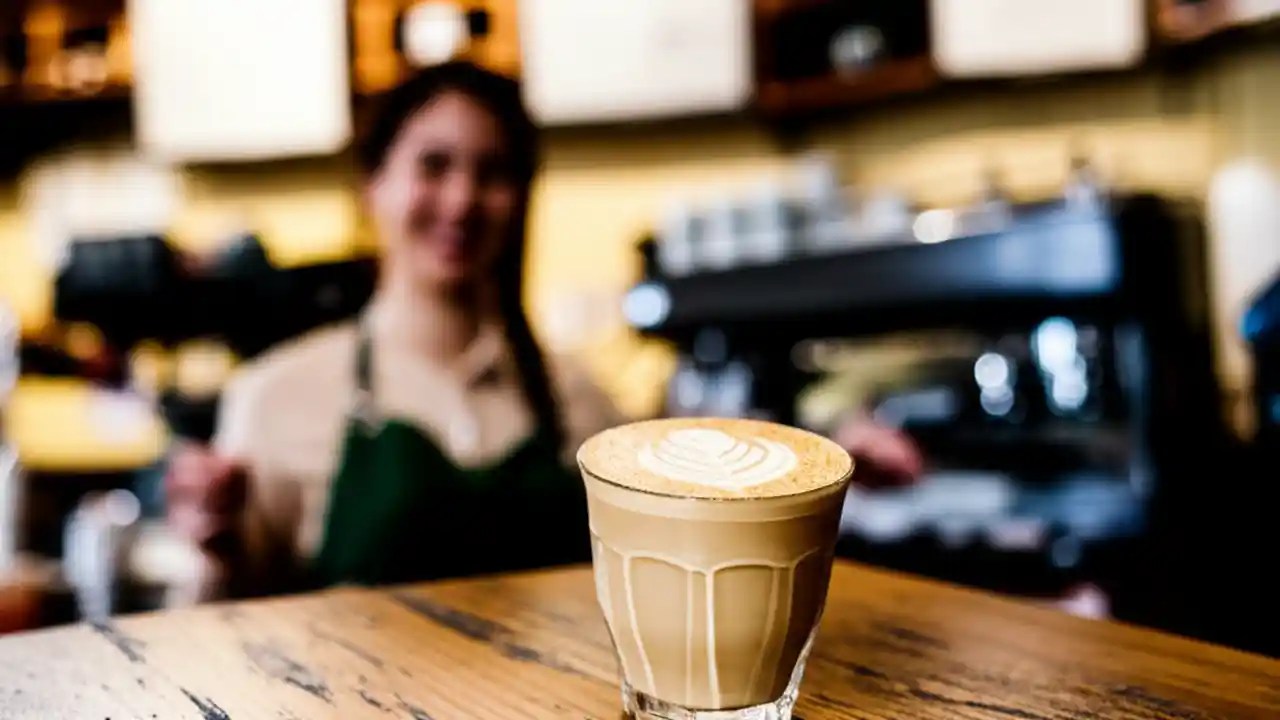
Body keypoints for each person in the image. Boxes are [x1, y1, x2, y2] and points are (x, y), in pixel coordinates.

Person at [165, 62, 921, 603]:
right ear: (374, 188)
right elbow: (223, 634)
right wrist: (216, 547)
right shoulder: (275, 396)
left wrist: (826, 455)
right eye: (433, 166)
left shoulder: (572, 397)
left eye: (493, 173)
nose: (462, 199)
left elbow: (690, 510)